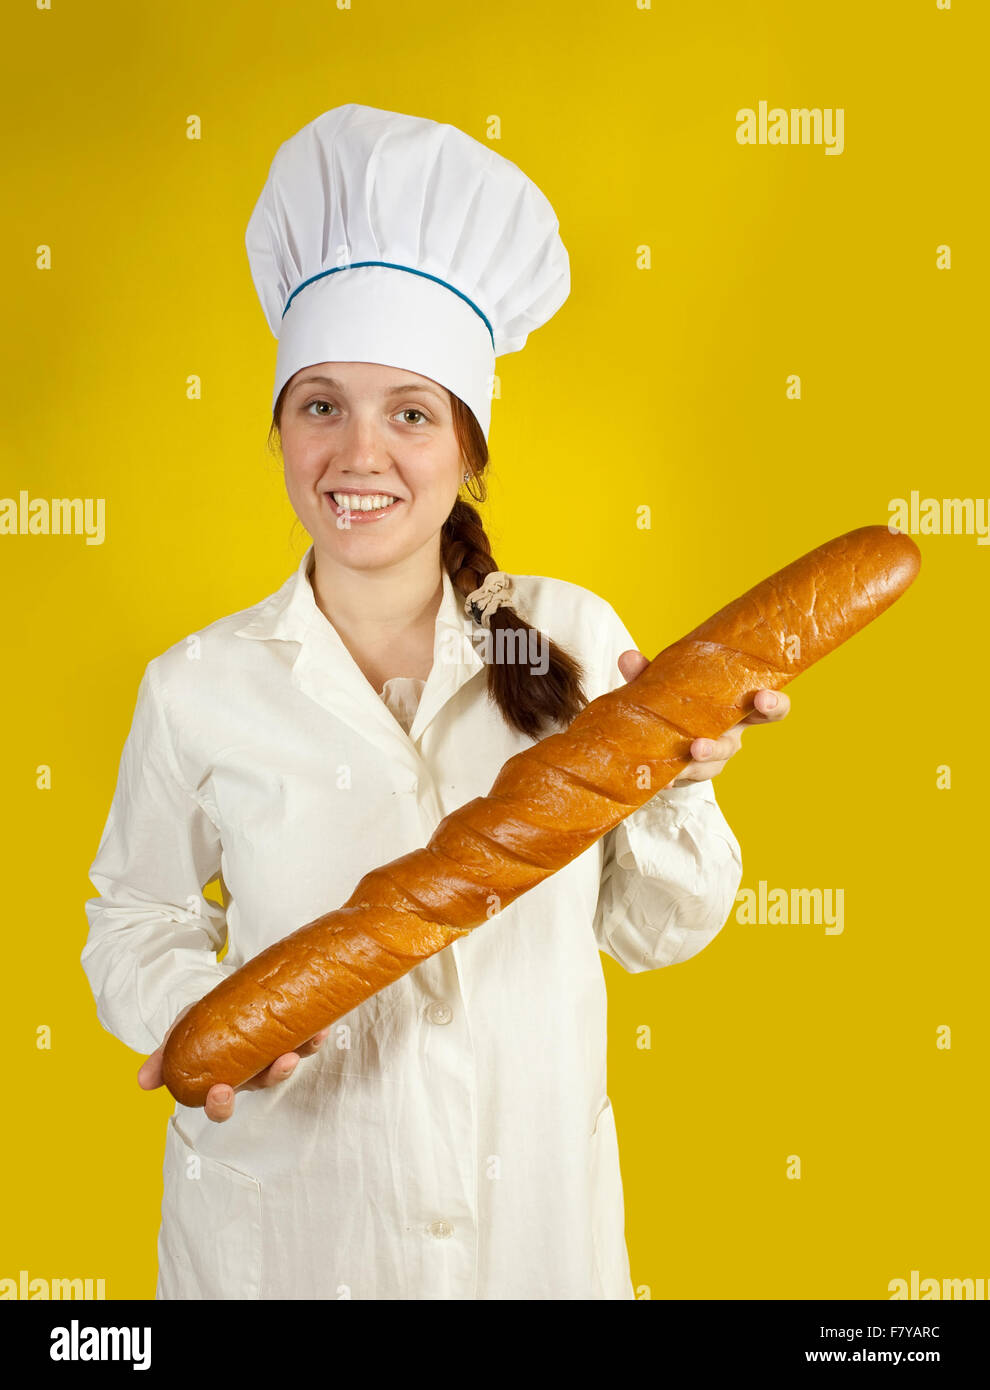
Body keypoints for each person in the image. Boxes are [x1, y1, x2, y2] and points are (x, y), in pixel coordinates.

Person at [80, 104, 789, 1301]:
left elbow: (656, 932)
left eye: (410, 412)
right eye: (321, 405)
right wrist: (216, 1013)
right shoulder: (198, 685)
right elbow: (132, 914)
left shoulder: (569, 636)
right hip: (292, 1228)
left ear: (467, 448)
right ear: (280, 432)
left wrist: (676, 780)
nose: (361, 455)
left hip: (534, 1239)